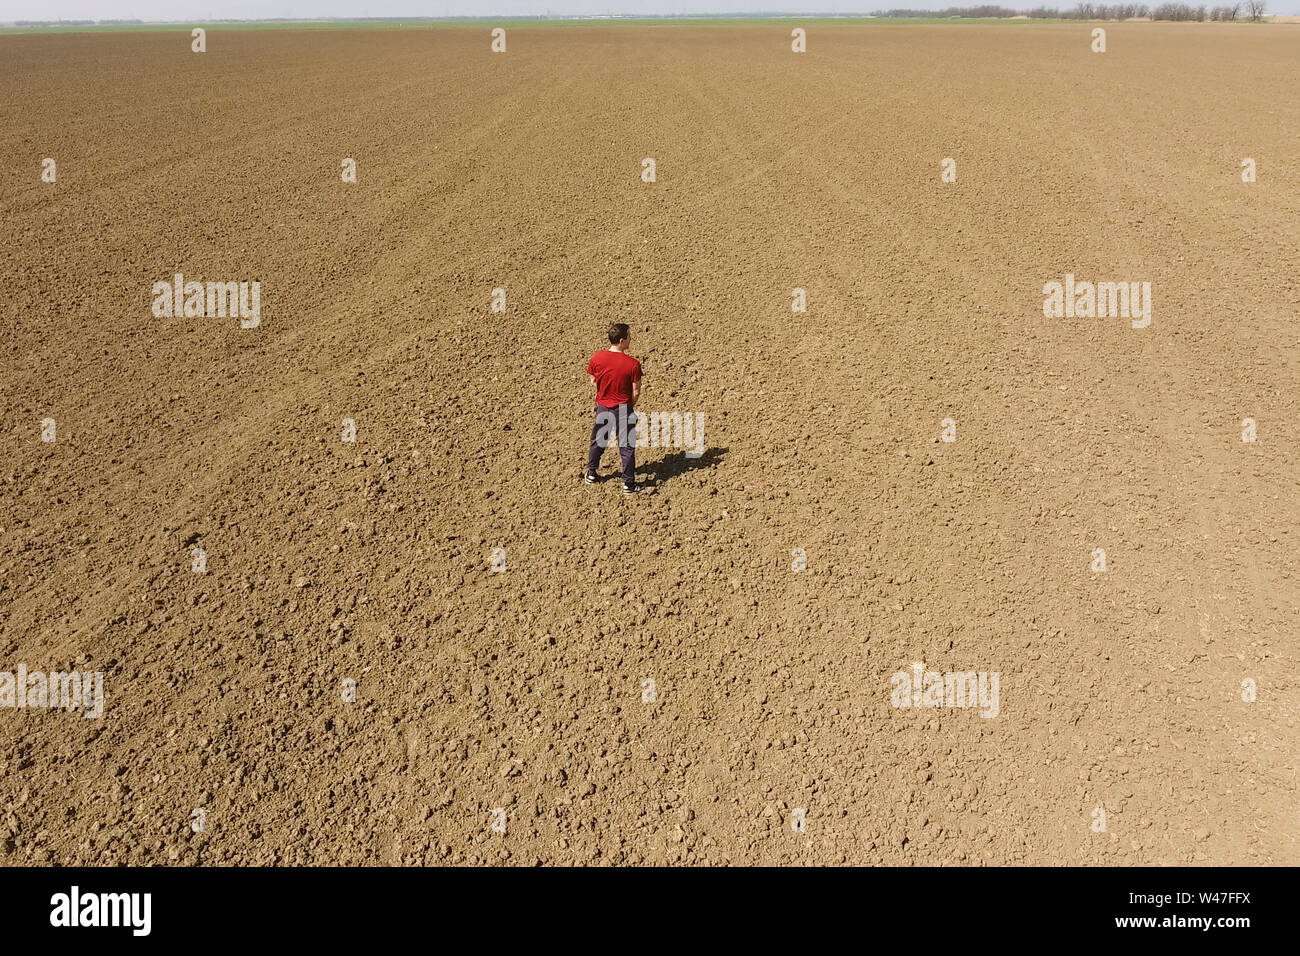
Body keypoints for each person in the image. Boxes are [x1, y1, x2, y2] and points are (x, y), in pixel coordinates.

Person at [585, 323, 642, 494]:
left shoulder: (597, 357)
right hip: (623, 409)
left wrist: (602, 396)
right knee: (626, 447)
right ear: (622, 340)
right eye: (629, 337)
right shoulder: (632, 364)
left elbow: (593, 381)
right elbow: (636, 390)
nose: (631, 339)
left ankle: (592, 473)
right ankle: (628, 485)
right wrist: (630, 404)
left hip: (603, 407)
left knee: (598, 441)